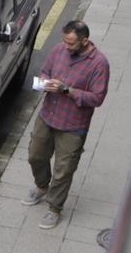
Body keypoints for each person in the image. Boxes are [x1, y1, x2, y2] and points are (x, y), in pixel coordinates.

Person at [24, 20, 110, 228]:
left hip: (73, 125)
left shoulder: (99, 63)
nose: (66, 46)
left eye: (71, 43)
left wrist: (67, 90)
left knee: (63, 170)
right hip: (48, 116)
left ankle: (54, 208)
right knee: (35, 156)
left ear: (84, 41)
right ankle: (42, 186)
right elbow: (45, 70)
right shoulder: (59, 49)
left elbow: (97, 98)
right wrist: (45, 81)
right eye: (65, 41)